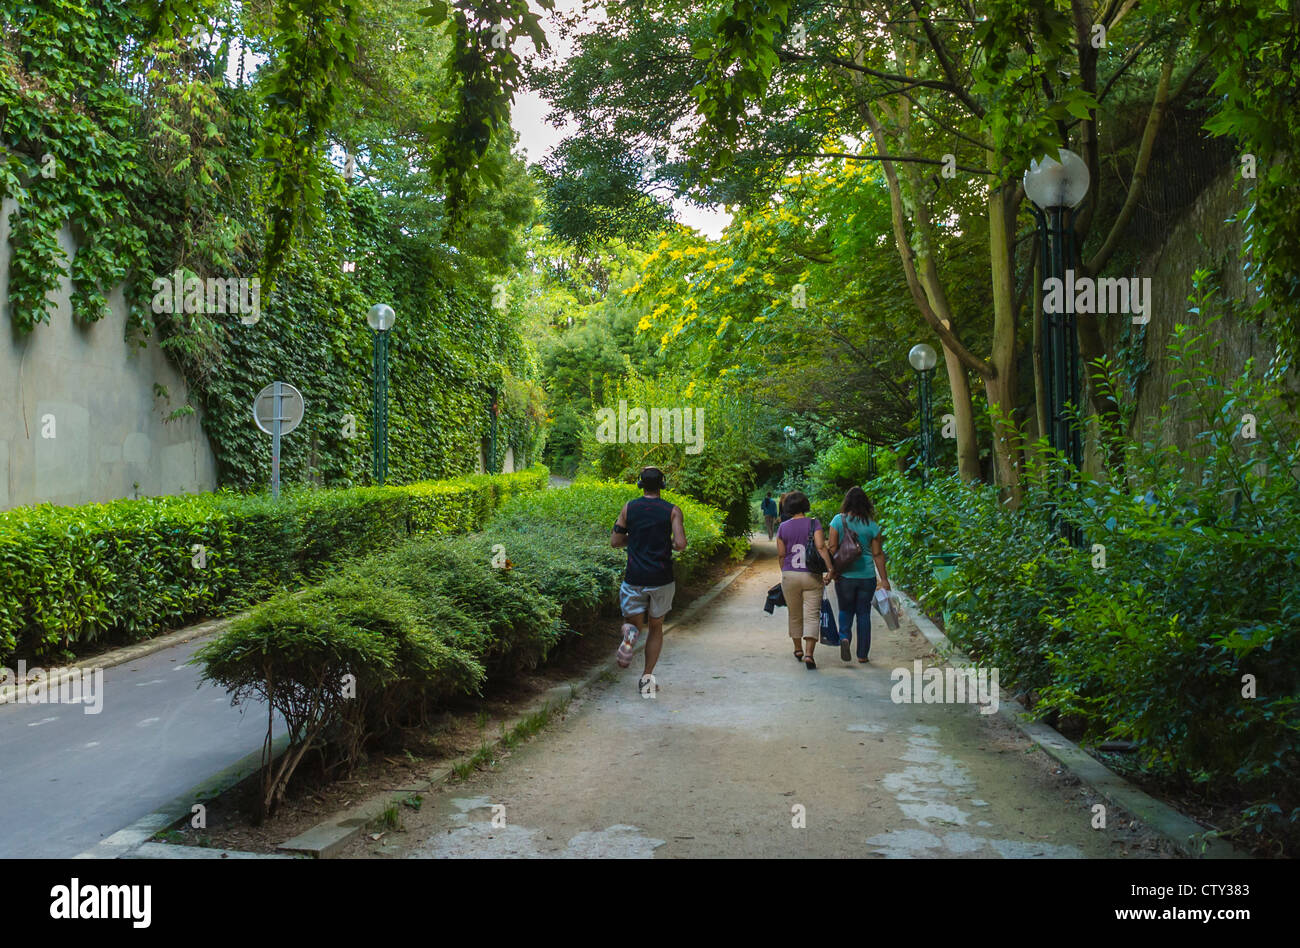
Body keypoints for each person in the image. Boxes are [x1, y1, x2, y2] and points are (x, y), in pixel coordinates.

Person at [611, 467, 688, 695]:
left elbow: (615, 541)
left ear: (640, 484)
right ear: (662, 485)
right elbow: (681, 544)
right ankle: (647, 678)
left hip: (635, 577)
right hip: (662, 579)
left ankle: (631, 634)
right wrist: (669, 544)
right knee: (656, 626)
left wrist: (634, 541)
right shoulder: (673, 511)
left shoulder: (629, 508)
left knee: (633, 623)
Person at [826, 486, 891, 663]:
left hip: (845, 576)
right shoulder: (872, 525)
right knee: (863, 613)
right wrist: (884, 579)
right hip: (867, 576)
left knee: (845, 610)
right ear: (866, 504)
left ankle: (844, 637)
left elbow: (832, 548)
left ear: (846, 502)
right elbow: (877, 554)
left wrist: (832, 571)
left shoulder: (838, 521)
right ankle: (862, 654)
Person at [774, 490, 832, 669]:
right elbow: (821, 547)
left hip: (790, 574)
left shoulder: (783, 527)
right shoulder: (814, 523)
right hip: (811, 575)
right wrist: (830, 569)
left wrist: (785, 572)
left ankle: (797, 649)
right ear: (805, 505)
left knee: (794, 613)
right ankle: (809, 654)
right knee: (812, 615)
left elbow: (781, 555)